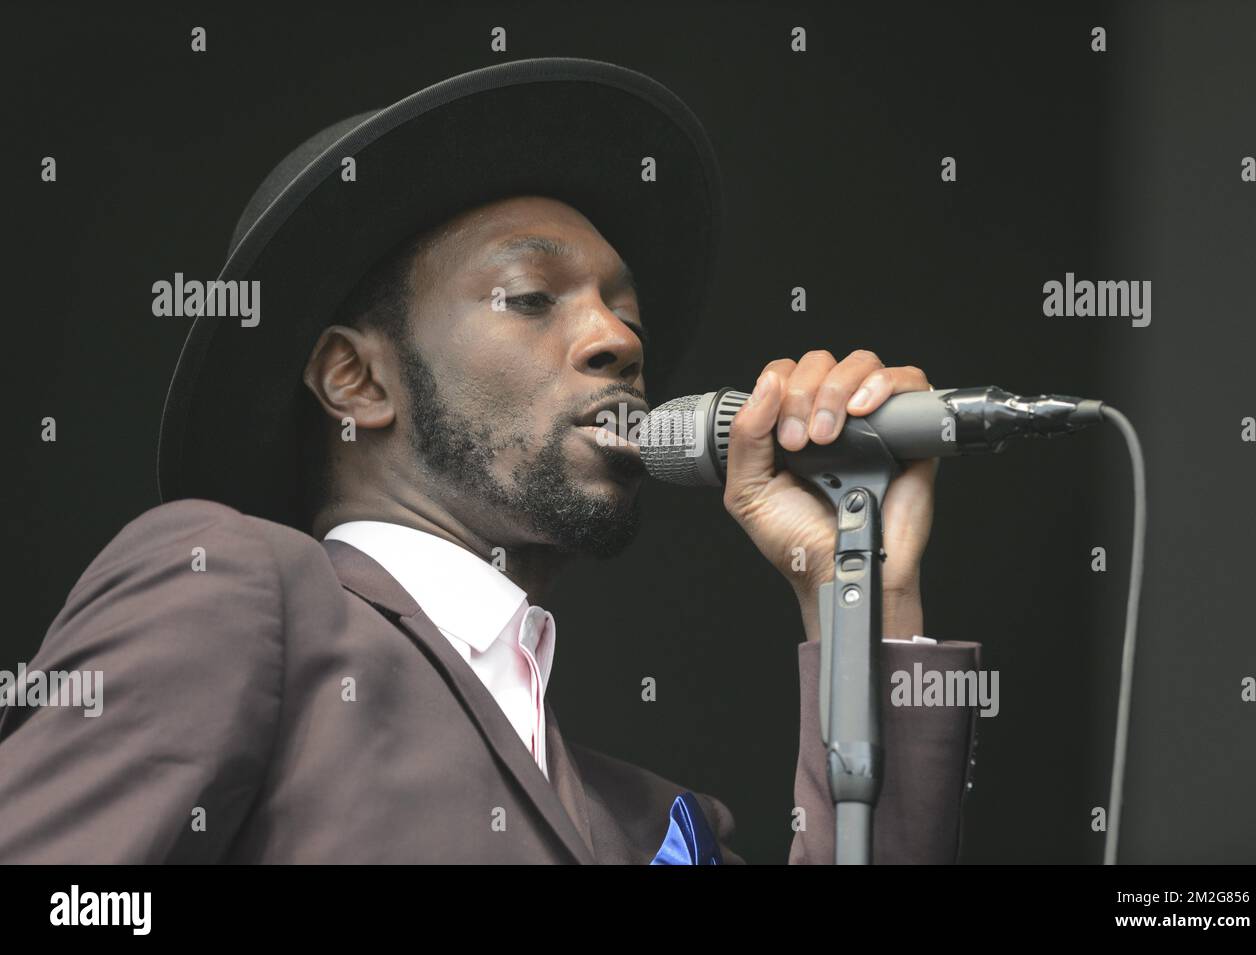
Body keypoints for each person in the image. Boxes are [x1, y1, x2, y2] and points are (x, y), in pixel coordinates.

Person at [0, 57, 980, 863]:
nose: (616, 340)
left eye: (623, 310)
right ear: (355, 380)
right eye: (530, 295)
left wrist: (860, 595)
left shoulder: (654, 824)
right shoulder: (238, 593)